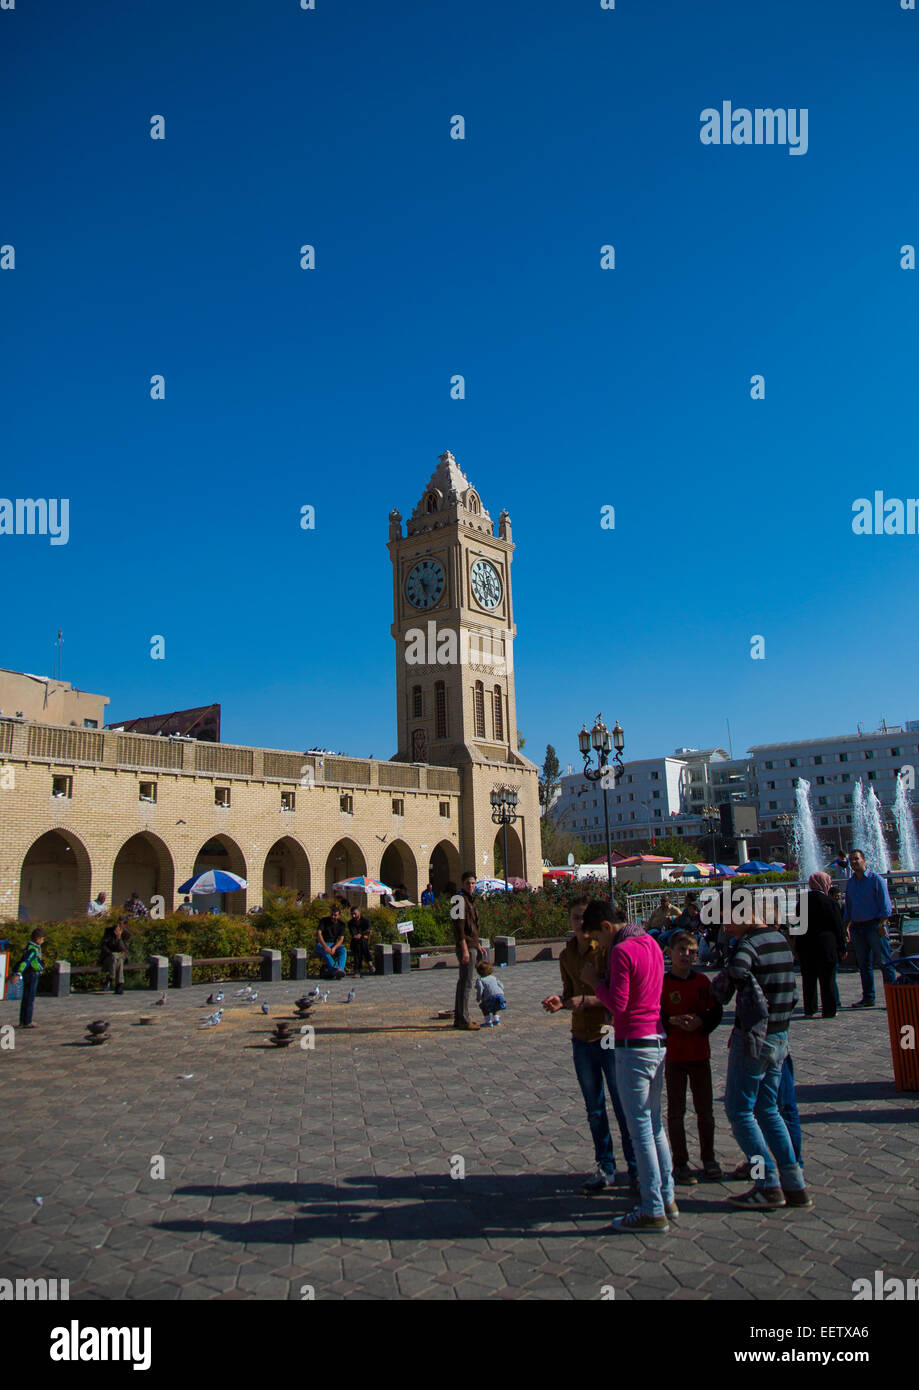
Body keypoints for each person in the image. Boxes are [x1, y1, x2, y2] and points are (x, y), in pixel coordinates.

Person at [580, 901, 675, 1234]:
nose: (598, 945)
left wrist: (594, 982)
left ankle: (652, 1209)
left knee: (640, 1133)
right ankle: (668, 1195)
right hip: (657, 1039)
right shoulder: (649, 942)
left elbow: (618, 1004)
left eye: (597, 936)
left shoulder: (622, 951)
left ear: (607, 927)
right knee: (655, 1124)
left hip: (633, 1044)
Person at [713, 899, 811, 1210]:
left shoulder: (748, 944)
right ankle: (795, 1184)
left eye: (728, 920)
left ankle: (766, 1181)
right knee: (768, 1110)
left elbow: (738, 971)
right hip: (780, 1036)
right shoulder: (780, 939)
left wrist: (744, 992)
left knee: (739, 1111)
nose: (726, 927)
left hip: (754, 1036)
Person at [541, 896, 639, 1195]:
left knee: (623, 1106)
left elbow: (618, 998)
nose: (580, 923)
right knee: (594, 1108)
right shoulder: (566, 955)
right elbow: (570, 993)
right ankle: (606, 1167)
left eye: (584, 917)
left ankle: (636, 1168)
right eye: (574, 917)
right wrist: (562, 1002)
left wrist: (587, 998)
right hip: (581, 1037)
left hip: (608, 1034)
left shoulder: (608, 950)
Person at [661, 931, 723, 1184]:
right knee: (676, 1111)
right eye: (681, 950)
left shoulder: (703, 983)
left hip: (699, 1053)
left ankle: (708, 1157)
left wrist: (701, 1021)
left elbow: (716, 1012)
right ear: (670, 952)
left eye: (691, 951)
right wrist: (671, 1021)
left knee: (705, 1110)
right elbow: (655, 1015)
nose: (686, 955)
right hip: (674, 1055)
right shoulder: (662, 983)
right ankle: (680, 1162)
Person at [845, 849, 896, 1008]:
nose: (854, 862)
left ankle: (893, 997)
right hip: (857, 928)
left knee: (884, 962)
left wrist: (882, 924)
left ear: (864, 860)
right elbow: (849, 906)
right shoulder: (851, 882)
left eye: (856, 859)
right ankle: (868, 997)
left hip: (874, 926)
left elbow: (886, 906)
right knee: (863, 964)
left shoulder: (876, 880)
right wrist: (846, 927)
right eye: (851, 860)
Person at [796, 872, 846, 1018]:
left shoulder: (802, 902)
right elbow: (838, 927)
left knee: (808, 980)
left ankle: (810, 1009)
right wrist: (842, 947)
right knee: (827, 979)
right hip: (826, 946)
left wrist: (797, 947)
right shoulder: (830, 902)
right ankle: (829, 1009)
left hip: (806, 946)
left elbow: (797, 926)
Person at [452, 871, 483, 1030]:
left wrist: (477, 944)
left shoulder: (470, 900)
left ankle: (459, 1017)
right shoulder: (457, 900)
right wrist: (464, 948)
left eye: (473, 883)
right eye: (468, 883)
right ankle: (463, 1019)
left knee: (464, 982)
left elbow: (472, 927)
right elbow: (458, 928)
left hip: (471, 945)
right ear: (462, 884)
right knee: (466, 983)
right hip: (465, 947)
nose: (471, 886)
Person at [12, 928, 45, 1029]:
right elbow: (26, 961)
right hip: (32, 974)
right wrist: (18, 973)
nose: (43, 941)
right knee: (29, 998)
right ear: (37, 939)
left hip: (30, 974)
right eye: (42, 939)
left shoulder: (29, 947)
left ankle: (23, 1020)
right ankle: (27, 1021)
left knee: (26, 997)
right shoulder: (33, 949)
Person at [99, 918, 131, 995]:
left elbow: (124, 950)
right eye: (117, 923)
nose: (118, 926)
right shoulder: (109, 931)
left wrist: (119, 938)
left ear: (125, 925)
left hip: (121, 956)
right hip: (109, 957)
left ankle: (110, 979)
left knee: (118, 958)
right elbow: (103, 945)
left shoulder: (127, 935)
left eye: (120, 924)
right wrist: (110, 954)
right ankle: (119, 985)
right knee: (116, 958)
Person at [315, 907, 347, 978]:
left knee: (343, 950)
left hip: (333, 944)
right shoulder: (324, 921)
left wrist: (334, 948)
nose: (333, 917)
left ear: (339, 916)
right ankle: (334, 970)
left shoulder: (342, 924)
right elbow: (319, 934)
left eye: (335, 915)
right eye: (332, 915)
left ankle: (340, 969)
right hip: (322, 944)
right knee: (325, 952)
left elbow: (341, 939)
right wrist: (325, 946)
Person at [475, 960, 506, 1026]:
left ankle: (488, 1021)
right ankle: (496, 1020)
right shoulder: (493, 977)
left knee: (484, 1007)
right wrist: (500, 992)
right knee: (495, 1007)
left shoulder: (480, 980)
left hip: (489, 997)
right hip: (499, 995)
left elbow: (480, 989)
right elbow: (501, 985)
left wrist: (478, 998)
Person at [348, 906, 374, 976]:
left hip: (364, 942)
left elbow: (369, 932)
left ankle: (357, 970)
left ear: (359, 912)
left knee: (360, 944)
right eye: (352, 914)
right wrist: (363, 934)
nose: (353, 916)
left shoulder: (366, 921)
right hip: (355, 943)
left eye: (355, 914)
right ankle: (369, 963)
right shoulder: (350, 923)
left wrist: (361, 935)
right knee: (359, 944)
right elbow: (354, 935)